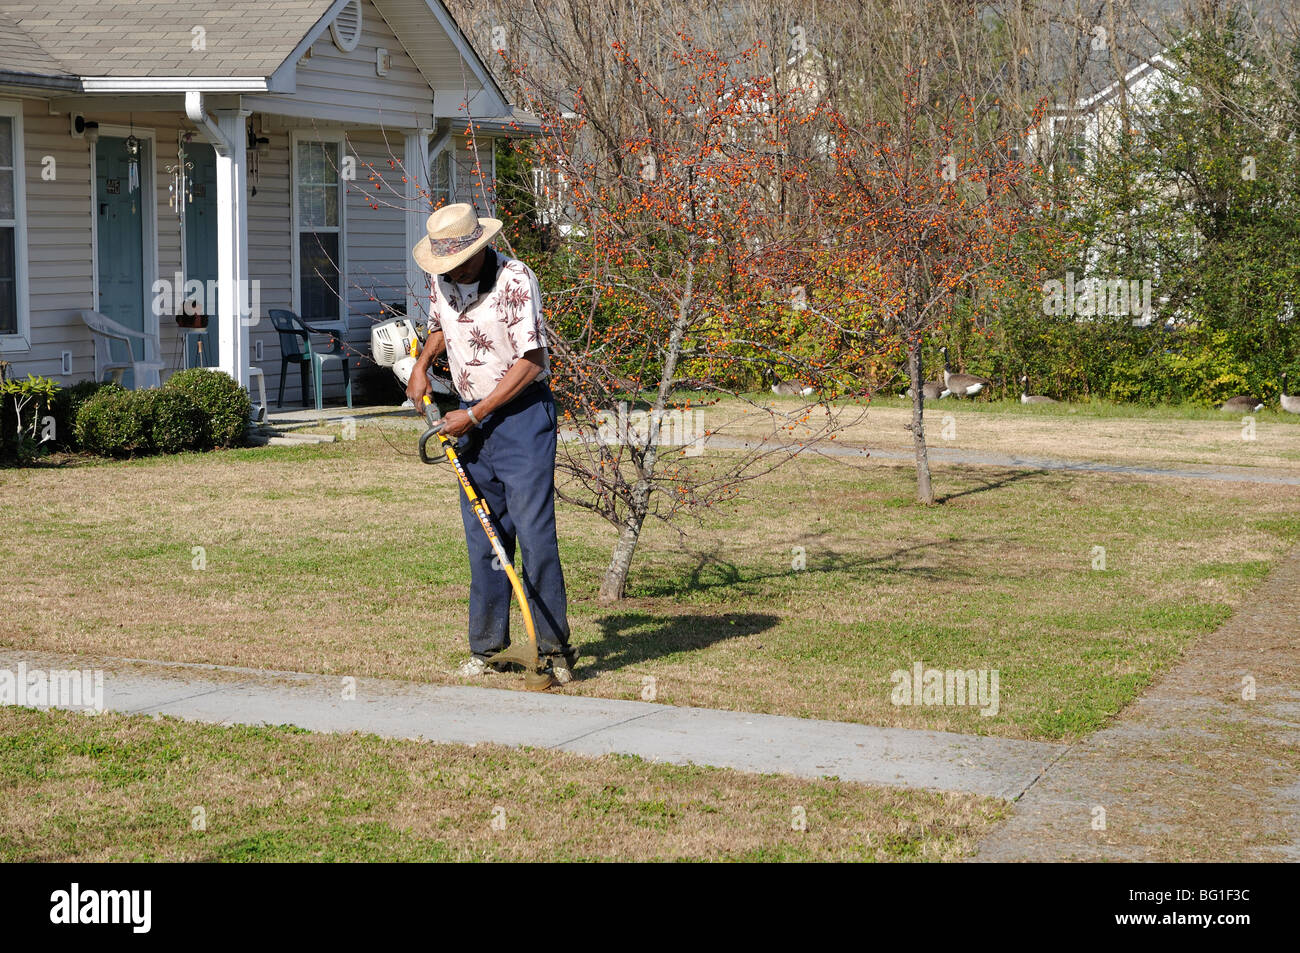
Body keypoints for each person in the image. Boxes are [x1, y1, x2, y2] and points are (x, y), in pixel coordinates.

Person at [408, 203, 577, 684]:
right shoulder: (442, 279)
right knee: (486, 536)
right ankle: (486, 647)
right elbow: (441, 326)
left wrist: (477, 413)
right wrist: (421, 365)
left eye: (456, 264)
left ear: (479, 250)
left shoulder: (515, 280)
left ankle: (555, 650)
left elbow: (533, 360)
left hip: (520, 418)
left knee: (535, 535)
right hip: (467, 418)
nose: (449, 274)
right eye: (442, 267)